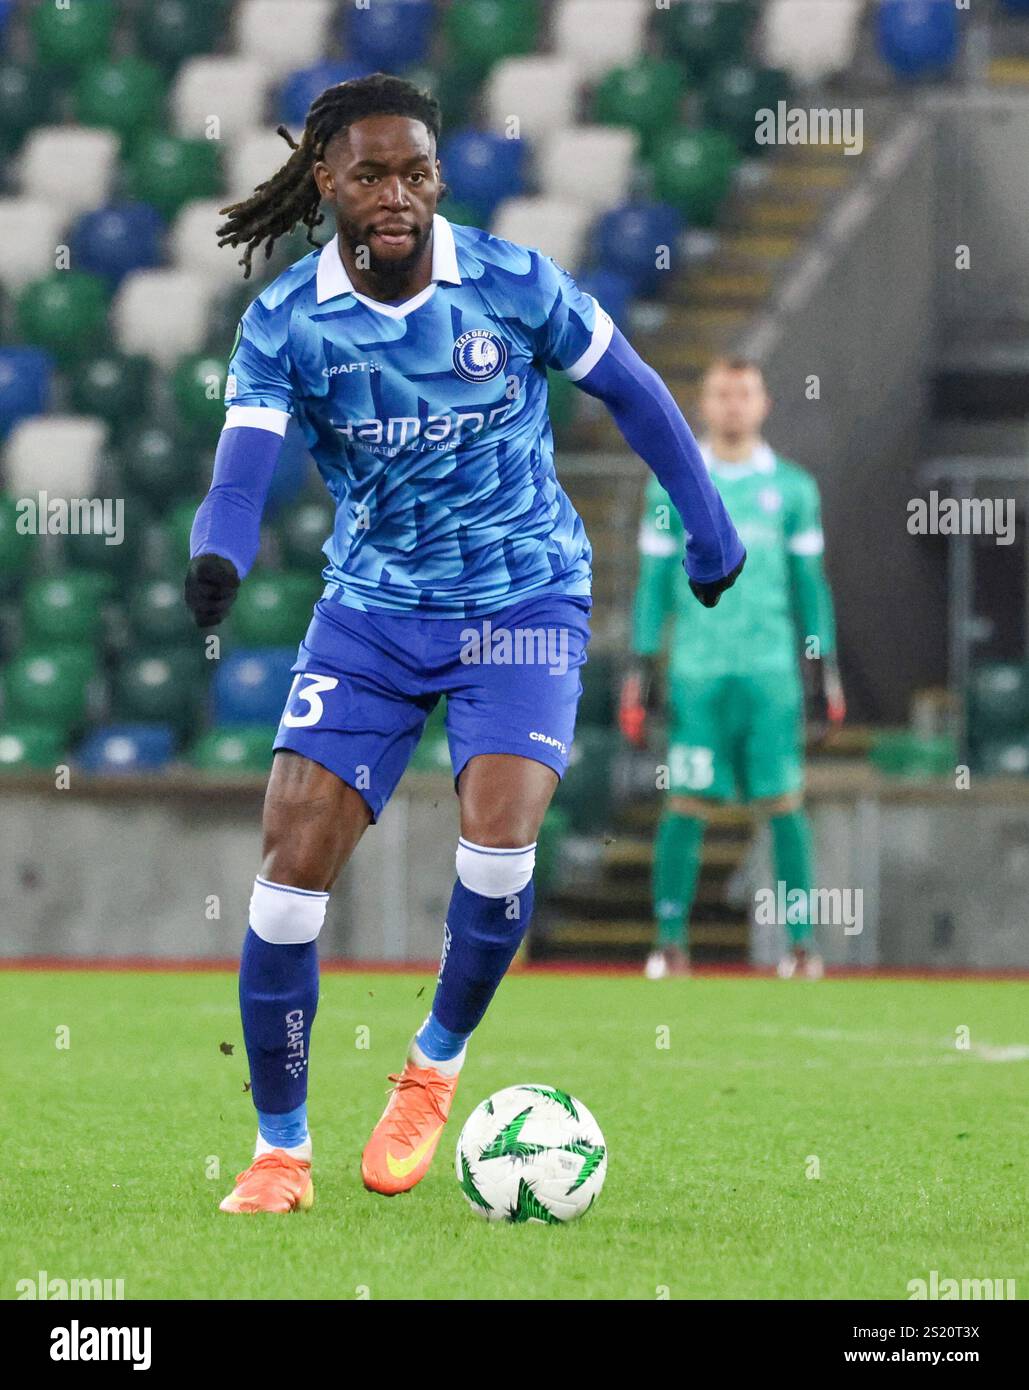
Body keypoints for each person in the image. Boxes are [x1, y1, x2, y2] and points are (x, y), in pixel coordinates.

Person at [184, 74, 744, 1214]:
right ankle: (280, 1152)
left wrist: (707, 516)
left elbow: (633, 391)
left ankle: (433, 1065)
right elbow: (241, 471)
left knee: (497, 847)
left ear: (439, 178)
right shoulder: (289, 319)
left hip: (523, 599)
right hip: (371, 615)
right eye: (372, 173)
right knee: (289, 878)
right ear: (326, 180)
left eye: (418, 172)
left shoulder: (507, 281)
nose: (398, 194)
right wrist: (217, 558)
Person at [621, 358, 843, 982]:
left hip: (772, 674)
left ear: (764, 402)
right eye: (722, 393)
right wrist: (641, 669)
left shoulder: (794, 488)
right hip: (698, 673)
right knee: (686, 803)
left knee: (784, 802)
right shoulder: (670, 485)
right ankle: (669, 943)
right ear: (704, 403)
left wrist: (823, 669)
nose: (734, 405)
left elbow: (810, 586)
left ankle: (801, 945)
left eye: (744, 393)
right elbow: (653, 586)